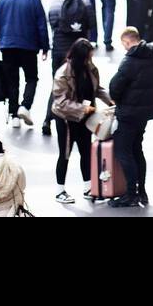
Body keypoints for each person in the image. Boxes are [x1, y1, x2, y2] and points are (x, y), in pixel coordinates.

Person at [50, 37, 111, 205]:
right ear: (78, 56)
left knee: (86, 152)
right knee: (65, 153)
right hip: (66, 119)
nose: (89, 60)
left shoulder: (90, 68)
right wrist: (83, 108)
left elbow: (97, 88)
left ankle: (88, 188)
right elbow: (61, 102)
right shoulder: (63, 73)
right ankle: (60, 190)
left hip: (84, 117)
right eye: (86, 57)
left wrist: (110, 100)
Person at [107, 26, 153, 208]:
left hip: (128, 113)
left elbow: (115, 86)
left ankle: (130, 194)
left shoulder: (130, 60)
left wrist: (117, 99)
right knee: (137, 149)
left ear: (127, 41)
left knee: (123, 151)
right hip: (144, 113)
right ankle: (142, 192)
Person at [0, 0, 49, 128]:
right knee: (31, 78)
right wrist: (45, 47)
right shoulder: (34, 0)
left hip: (8, 47)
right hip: (29, 47)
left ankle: (14, 115)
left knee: (12, 80)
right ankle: (25, 106)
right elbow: (42, 26)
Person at [42, 0, 97, 134]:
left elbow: (52, 23)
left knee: (57, 85)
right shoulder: (85, 2)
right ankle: (84, 118)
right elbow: (92, 24)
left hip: (59, 51)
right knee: (84, 86)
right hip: (80, 53)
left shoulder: (55, 3)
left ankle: (48, 119)